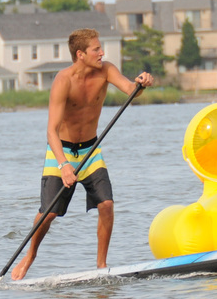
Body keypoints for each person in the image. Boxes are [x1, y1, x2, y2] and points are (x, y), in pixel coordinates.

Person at [11, 28, 154, 280]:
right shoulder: (63, 80)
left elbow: (131, 89)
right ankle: (30, 255)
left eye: (101, 48)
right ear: (80, 54)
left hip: (90, 149)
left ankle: (101, 265)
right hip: (61, 151)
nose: (102, 53)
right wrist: (64, 165)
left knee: (107, 204)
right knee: (50, 212)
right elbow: (51, 131)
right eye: (96, 49)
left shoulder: (106, 70)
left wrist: (141, 83)